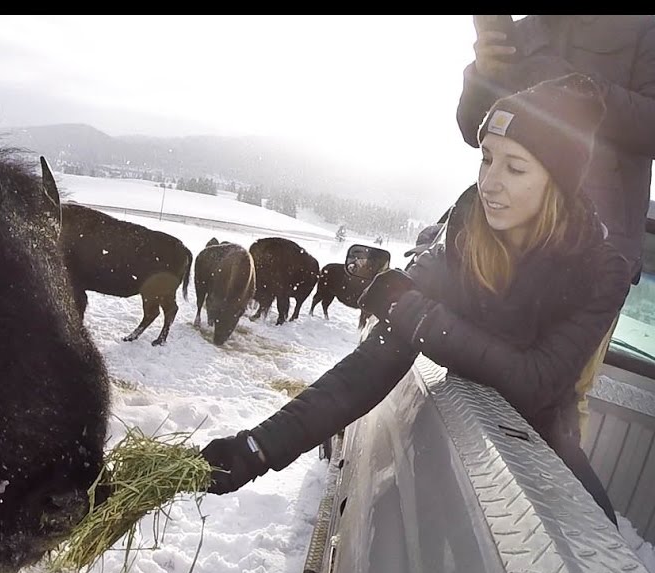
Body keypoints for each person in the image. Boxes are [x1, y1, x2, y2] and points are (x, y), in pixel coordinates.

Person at [202, 74, 631, 526]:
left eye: (516, 167)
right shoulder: (465, 236)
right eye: (487, 159)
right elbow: (368, 368)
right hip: (464, 457)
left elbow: (535, 381)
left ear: (557, 182)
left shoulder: (599, 271)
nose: (490, 183)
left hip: (542, 461)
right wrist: (257, 448)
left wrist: (416, 314)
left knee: (601, 541)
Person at [457, 15, 655, 433]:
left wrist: (584, 89)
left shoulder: (644, 27)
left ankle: (546, 497)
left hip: (597, 252)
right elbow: (472, 128)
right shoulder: (527, 30)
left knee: (561, 399)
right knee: (475, 375)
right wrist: (481, 75)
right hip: (508, 241)